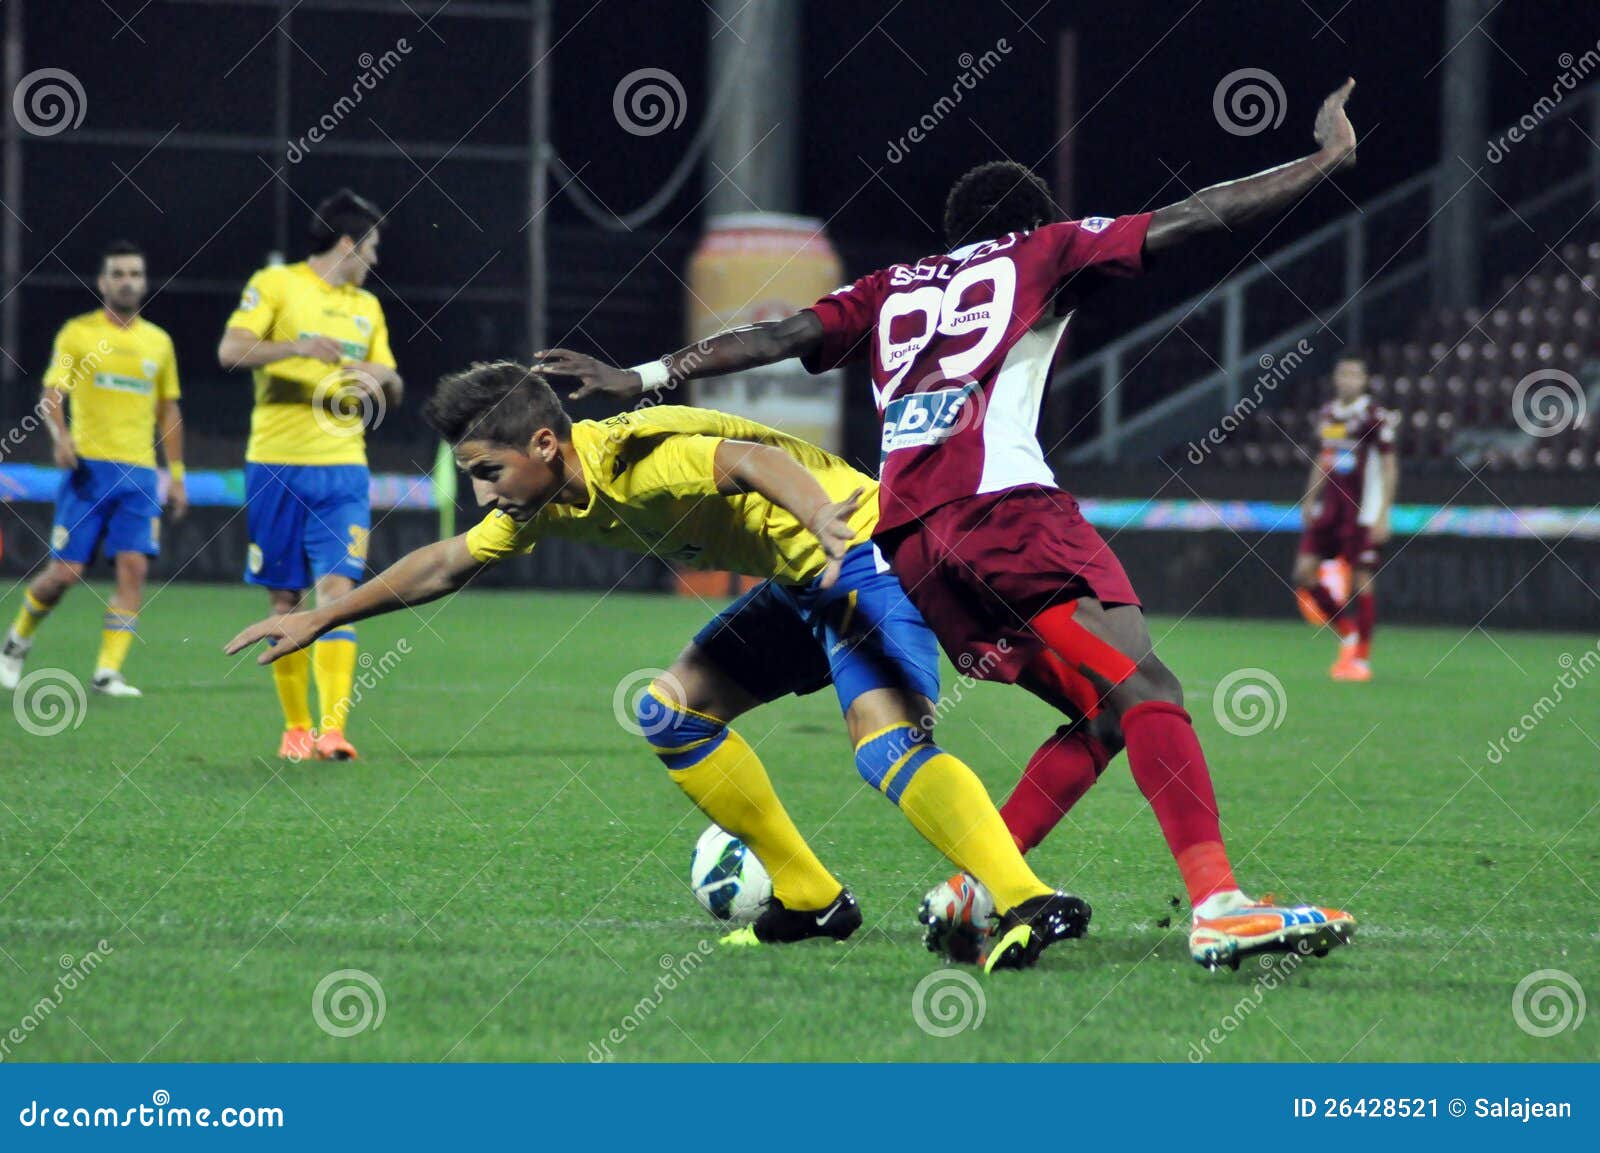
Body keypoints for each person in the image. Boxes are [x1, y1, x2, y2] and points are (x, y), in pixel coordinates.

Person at [530, 80, 1363, 970]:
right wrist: (1324, 162)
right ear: (1032, 220)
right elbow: (1195, 216)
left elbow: (774, 336)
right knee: (1149, 688)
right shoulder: (1045, 248)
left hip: (914, 548)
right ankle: (1219, 906)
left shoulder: (891, 288)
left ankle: (972, 889)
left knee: (1101, 710)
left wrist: (646, 374)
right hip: (1007, 513)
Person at [225, 362, 1087, 971]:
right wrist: (323, 615)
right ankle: (811, 898)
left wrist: (825, 523)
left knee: (884, 745)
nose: (484, 494)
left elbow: (752, 462)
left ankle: (1026, 897)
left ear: (544, 443)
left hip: (865, 555)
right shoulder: (537, 500)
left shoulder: (635, 454)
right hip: (803, 579)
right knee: (671, 710)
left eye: (489, 472)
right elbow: (447, 562)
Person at [218, 189, 402, 761]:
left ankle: (333, 730)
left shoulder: (367, 308)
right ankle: (296, 729)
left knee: (339, 593)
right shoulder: (275, 284)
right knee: (286, 600)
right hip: (276, 465)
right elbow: (231, 350)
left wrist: (379, 378)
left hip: (343, 469)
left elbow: (393, 380)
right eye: (371, 248)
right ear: (347, 244)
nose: (374, 259)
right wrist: (296, 348)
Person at [1, 240, 186, 699]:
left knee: (133, 570)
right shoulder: (78, 334)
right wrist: (60, 437)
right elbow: (52, 394)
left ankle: (107, 673)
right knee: (65, 574)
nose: (127, 281)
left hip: (140, 475)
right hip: (89, 472)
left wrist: (178, 474)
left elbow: (168, 410)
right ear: (103, 282)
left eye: (134, 274)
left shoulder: (159, 342)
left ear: (144, 282)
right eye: (118, 274)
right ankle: (17, 640)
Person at [1292, 354, 1398, 682]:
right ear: (1336, 378)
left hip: (1363, 512)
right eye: (1343, 373)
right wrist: (1310, 498)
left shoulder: (1374, 417)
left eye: (1355, 374)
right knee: (1304, 573)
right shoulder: (1329, 414)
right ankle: (1347, 630)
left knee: (1362, 579)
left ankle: (1361, 657)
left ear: (1364, 381)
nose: (1348, 380)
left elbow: (1389, 466)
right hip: (1331, 509)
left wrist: (1383, 513)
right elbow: (1325, 457)